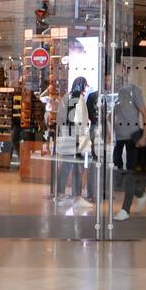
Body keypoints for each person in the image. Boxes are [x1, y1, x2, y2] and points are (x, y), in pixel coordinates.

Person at [111, 60, 146, 222]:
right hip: (119, 138)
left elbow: (145, 115)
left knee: (130, 173)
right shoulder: (114, 93)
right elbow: (111, 114)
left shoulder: (134, 91)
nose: (117, 74)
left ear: (125, 73)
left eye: (120, 71)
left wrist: (143, 136)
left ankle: (126, 209)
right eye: (115, 71)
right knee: (120, 172)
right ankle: (140, 194)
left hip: (132, 136)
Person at [56, 76, 94, 209]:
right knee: (77, 166)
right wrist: (80, 138)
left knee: (66, 166)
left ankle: (61, 194)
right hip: (76, 136)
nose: (86, 89)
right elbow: (77, 119)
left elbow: (61, 118)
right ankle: (76, 196)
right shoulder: (78, 98)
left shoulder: (66, 96)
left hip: (66, 134)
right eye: (85, 86)